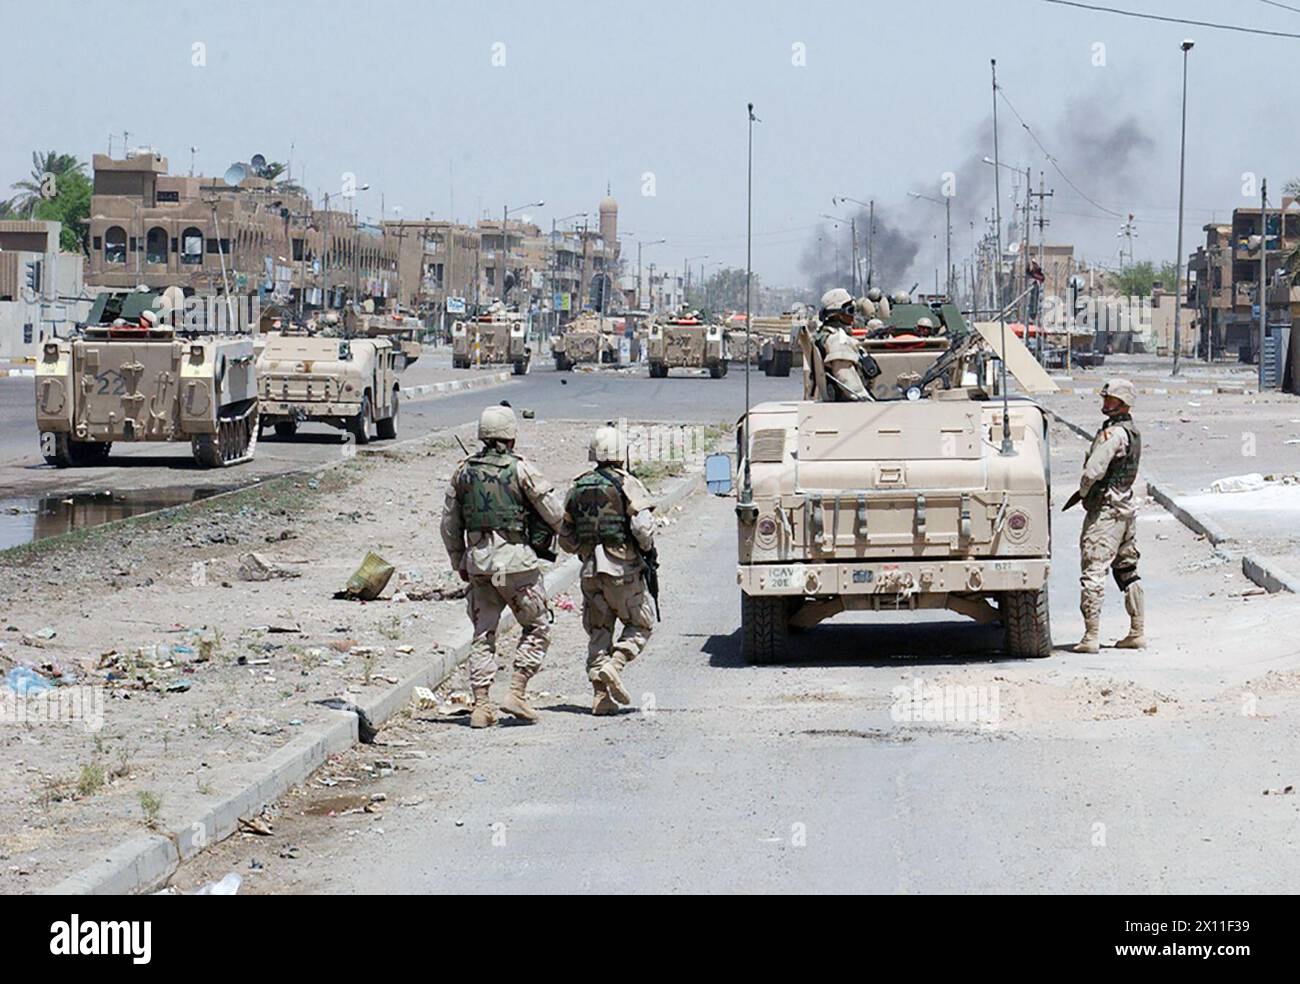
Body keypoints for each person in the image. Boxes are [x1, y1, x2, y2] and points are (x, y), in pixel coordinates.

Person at [440, 405, 565, 726]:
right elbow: (553, 511)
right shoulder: (521, 468)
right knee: (537, 627)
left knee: (483, 635)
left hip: (479, 565)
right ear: (511, 437)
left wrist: (459, 560)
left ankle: (481, 707)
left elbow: (449, 524)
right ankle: (517, 693)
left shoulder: (462, 471)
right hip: (517, 566)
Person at [559, 425, 657, 715]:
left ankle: (601, 698)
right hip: (622, 569)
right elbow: (642, 527)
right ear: (621, 453)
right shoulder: (627, 484)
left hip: (590, 571)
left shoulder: (576, 487)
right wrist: (646, 548)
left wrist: (585, 548)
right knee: (641, 624)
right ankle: (614, 667)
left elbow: (565, 536)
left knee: (599, 631)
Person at [1072, 378, 1144, 653]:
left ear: (1122, 402)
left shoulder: (1113, 434)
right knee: (1127, 570)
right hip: (1125, 508)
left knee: (1094, 569)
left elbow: (1093, 471)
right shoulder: (1132, 431)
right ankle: (1137, 631)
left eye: (1110, 399)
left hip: (1107, 511)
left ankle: (1091, 637)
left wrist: (1084, 491)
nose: (1105, 403)